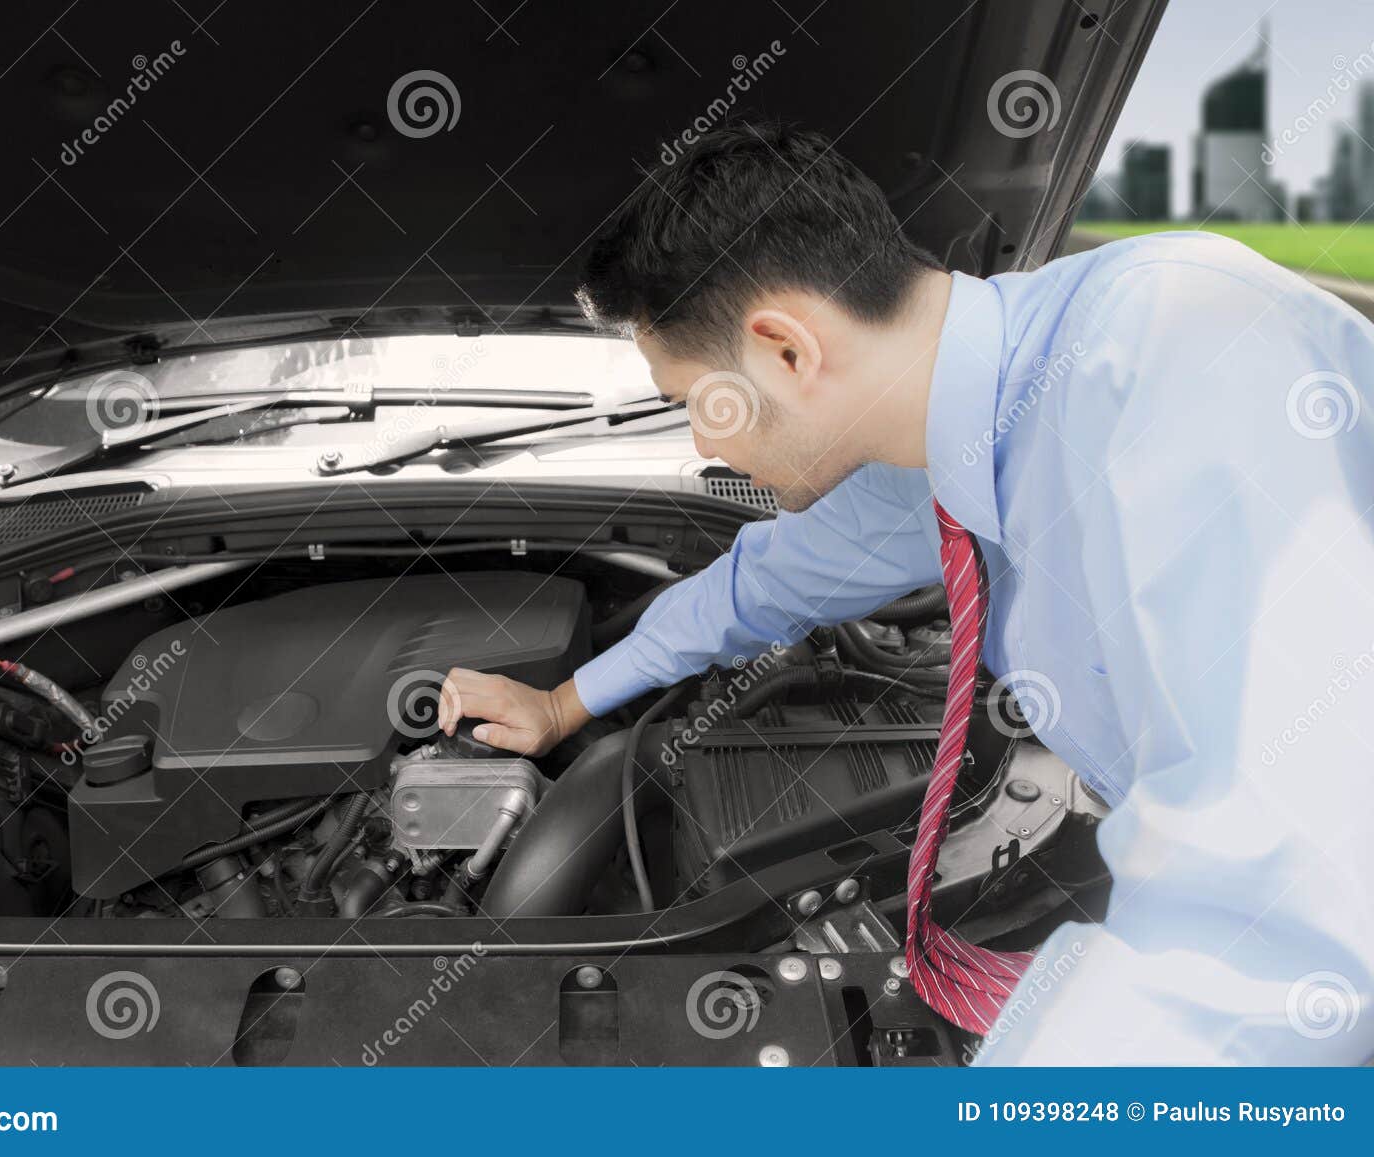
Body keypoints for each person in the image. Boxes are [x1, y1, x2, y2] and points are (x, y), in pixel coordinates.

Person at [436, 122, 1374, 1064]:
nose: (704, 448)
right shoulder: (921, 457)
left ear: (787, 352)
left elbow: (1275, 932)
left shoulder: (1177, 353)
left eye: (695, 403)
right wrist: (562, 704)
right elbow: (757, 586)